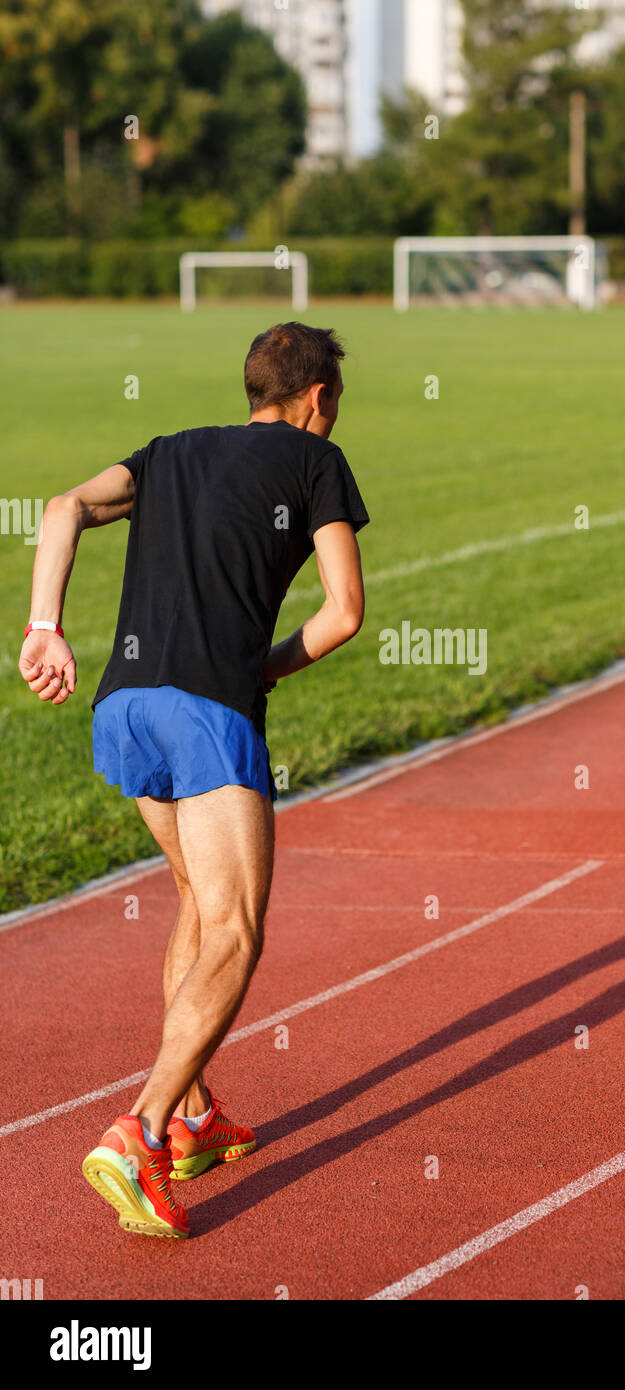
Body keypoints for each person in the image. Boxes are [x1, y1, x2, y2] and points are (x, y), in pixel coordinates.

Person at [18, 322, 368, 1239]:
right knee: (238, 928)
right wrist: (267, 668)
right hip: (209, 710)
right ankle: (139, 1131)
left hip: (123, 706)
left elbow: (59, 509)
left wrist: (42, 629)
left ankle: (197, 1119)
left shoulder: (168, 452)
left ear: (252, 388)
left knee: (191, 897)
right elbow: (343, 614)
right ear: (319, 400)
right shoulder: (314, 462)